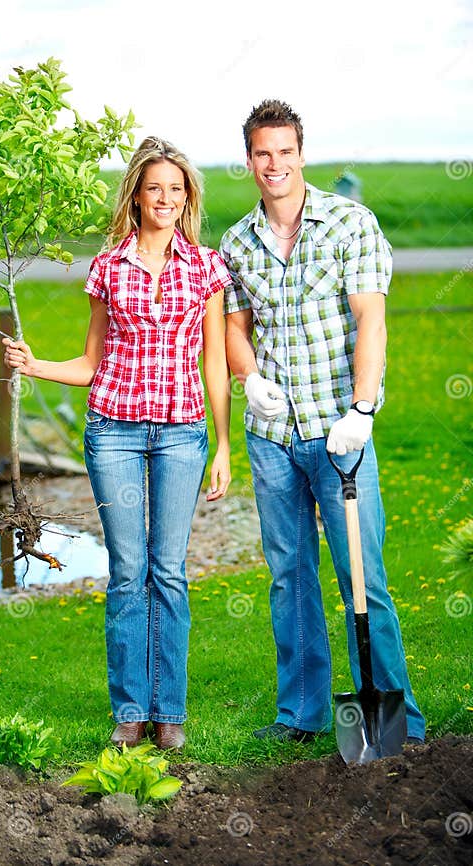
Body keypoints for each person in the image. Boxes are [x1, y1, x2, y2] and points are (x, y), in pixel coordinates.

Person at [3, 136, 232, 750]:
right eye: (154, 188)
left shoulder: (206, 267)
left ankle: (170, 711)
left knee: (170, 571)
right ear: (136, 195)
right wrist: (34, 365)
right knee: (128, 571)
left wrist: (224, 444)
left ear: (188, 198)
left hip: (184, 431)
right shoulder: (108, 267)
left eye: (176, 189)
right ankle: (131, 710)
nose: (165, 198)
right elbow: (90, 362)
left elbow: (215, 363)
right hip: (115, 432)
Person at [220, 100, 425, 744]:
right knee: (289, 576)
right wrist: (249, 379)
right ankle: (301, 715)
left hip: (341, 435)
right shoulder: (235, 243)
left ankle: (398, 717)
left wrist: (362, 411)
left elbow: (372, 321)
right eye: (262, 153)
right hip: (273, 440)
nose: (273, 164)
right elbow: (233, 328)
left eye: (285, 151)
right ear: (249, 160)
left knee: (362, 573)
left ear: (301, 154)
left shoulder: (350, 224)